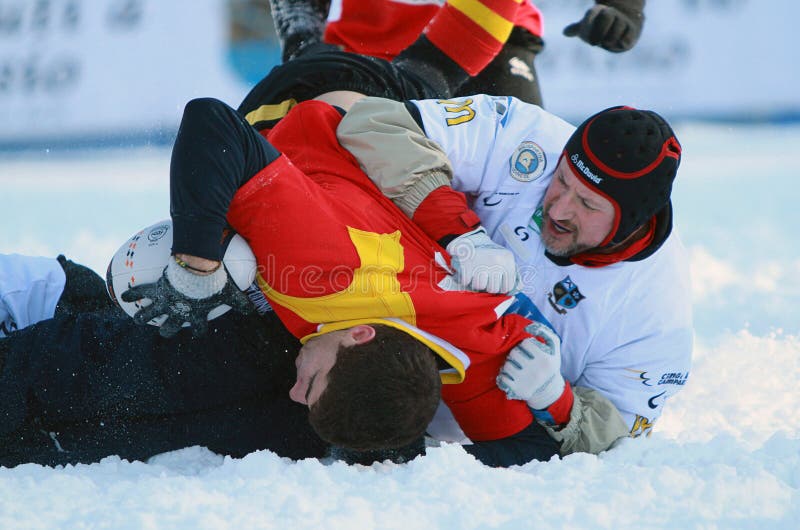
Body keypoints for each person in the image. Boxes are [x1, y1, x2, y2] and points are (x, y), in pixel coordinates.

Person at [335, 95, 693, 454]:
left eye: (588, 204)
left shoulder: (657, 315)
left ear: (631, 223)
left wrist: (555, 398)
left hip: (470, 441)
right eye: (563, 180)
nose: (560, 209)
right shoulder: (523, 136)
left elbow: (619, 444)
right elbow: (372, 122)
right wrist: (460, 232)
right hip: (367, 337)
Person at [268, 0, 647, 105]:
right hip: (367, 44)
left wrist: (623, 7)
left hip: (494, 37)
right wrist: (304, 46)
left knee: (522, 185)